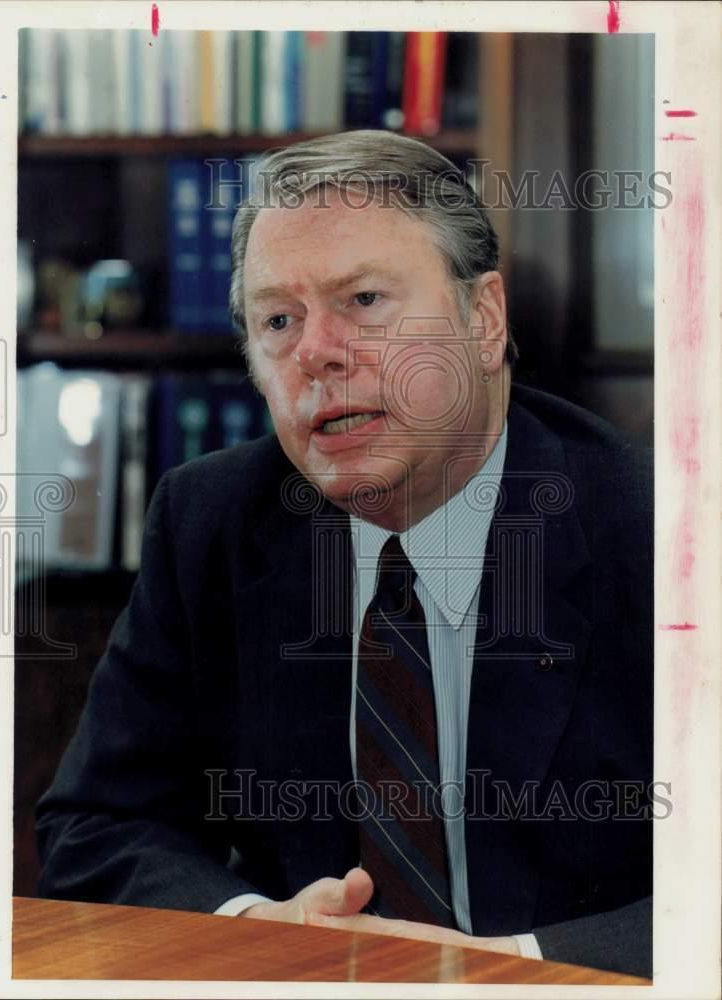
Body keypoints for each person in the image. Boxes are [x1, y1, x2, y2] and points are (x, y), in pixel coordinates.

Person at [36, 131, 654, 978]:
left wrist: (507, 968)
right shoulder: (212, 519)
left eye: (363, 300)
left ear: (482, 320)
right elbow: (97, 823)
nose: (315, 353)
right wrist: (260, 928)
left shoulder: (664, 529)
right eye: (277, 320)